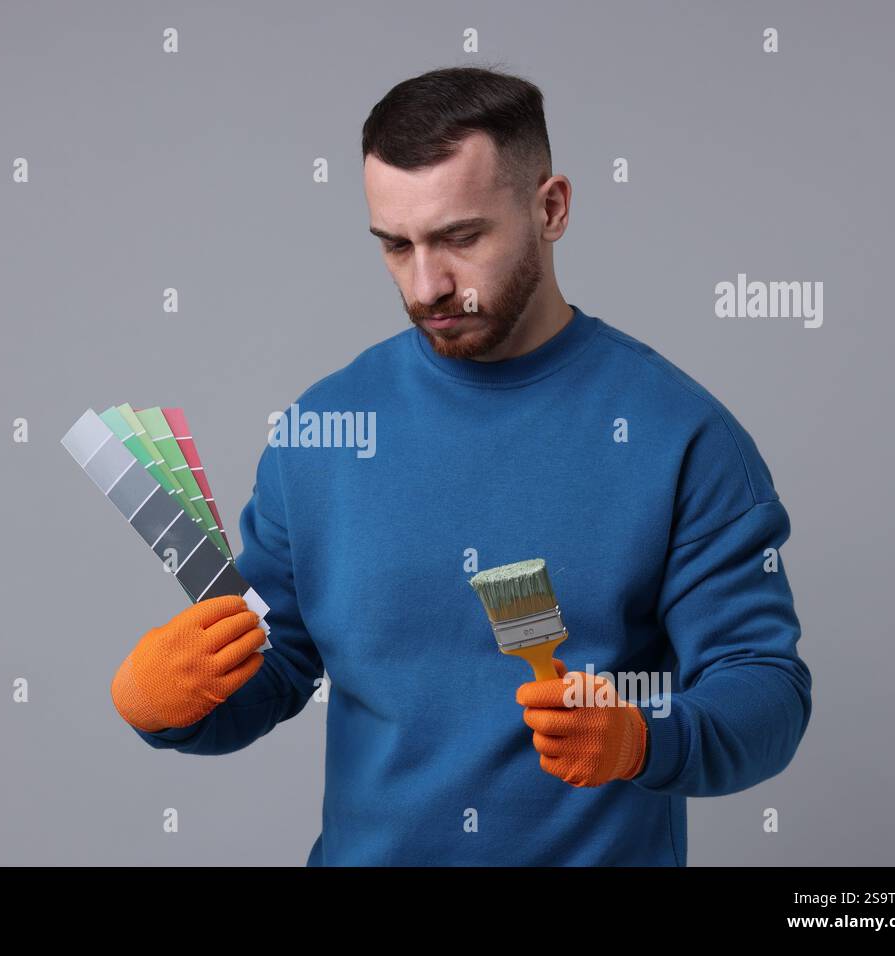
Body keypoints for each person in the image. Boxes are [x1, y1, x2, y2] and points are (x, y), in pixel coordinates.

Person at [110, 65, 812, 866]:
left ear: (551, 208)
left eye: (460, 238)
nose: (427, 284)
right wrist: (163, 708)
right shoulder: (323, 431)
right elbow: (274, 673)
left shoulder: (678, 435)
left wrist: (645, 739)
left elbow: (766, 691)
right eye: (396, 246)